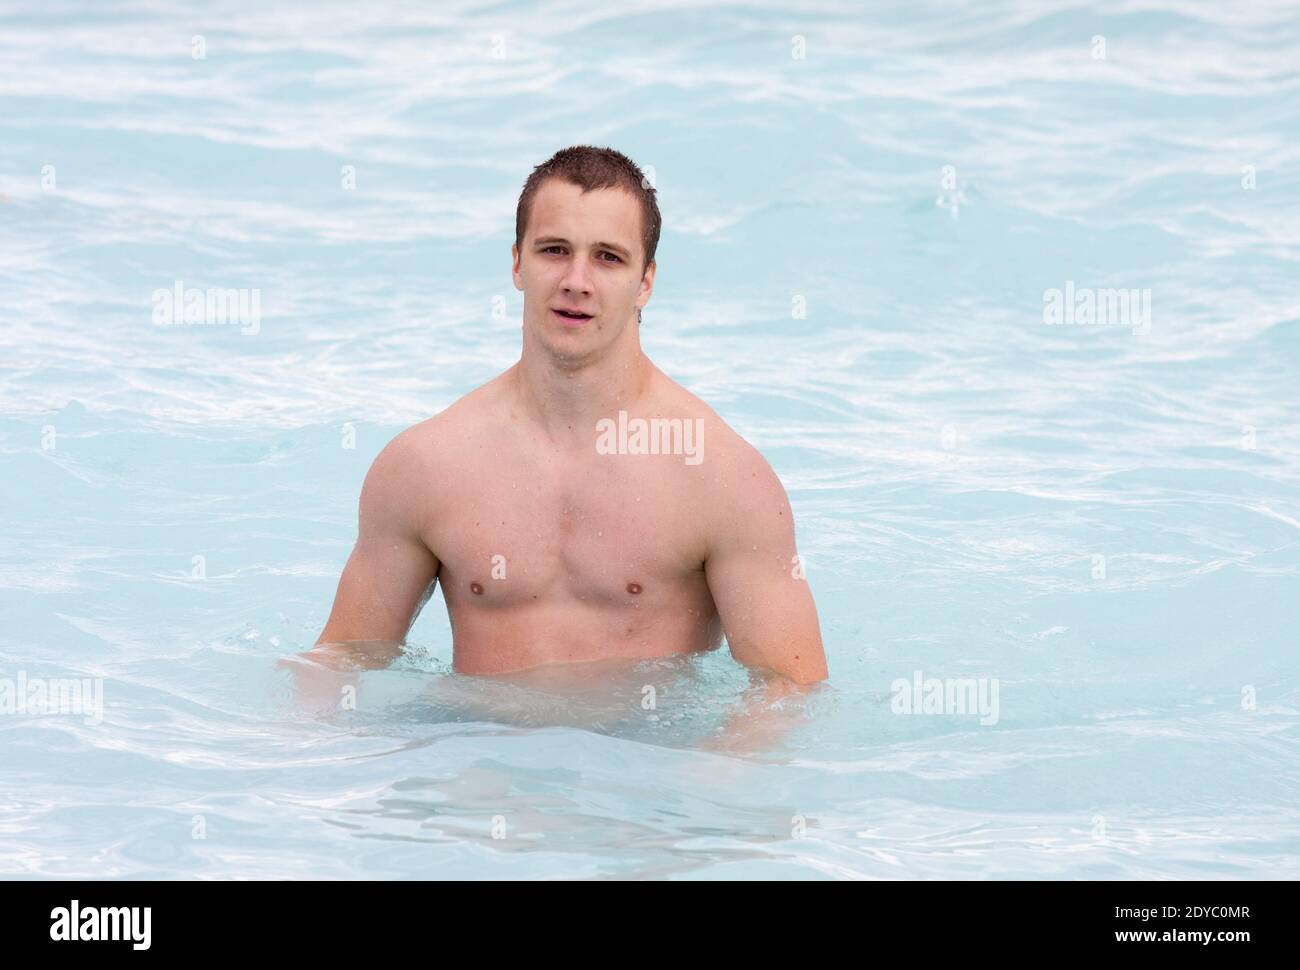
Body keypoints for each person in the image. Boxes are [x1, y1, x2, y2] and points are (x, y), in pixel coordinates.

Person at [311, 145, 828, 696]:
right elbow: (343, 658)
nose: (577, 280)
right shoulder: (424, 466)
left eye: (608, 257)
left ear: (646, 281)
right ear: (516, 263)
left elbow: (789, 690)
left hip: (647, 766)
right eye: (554, 250)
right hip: (476, 759)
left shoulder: (723, 478)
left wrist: (711, 772)